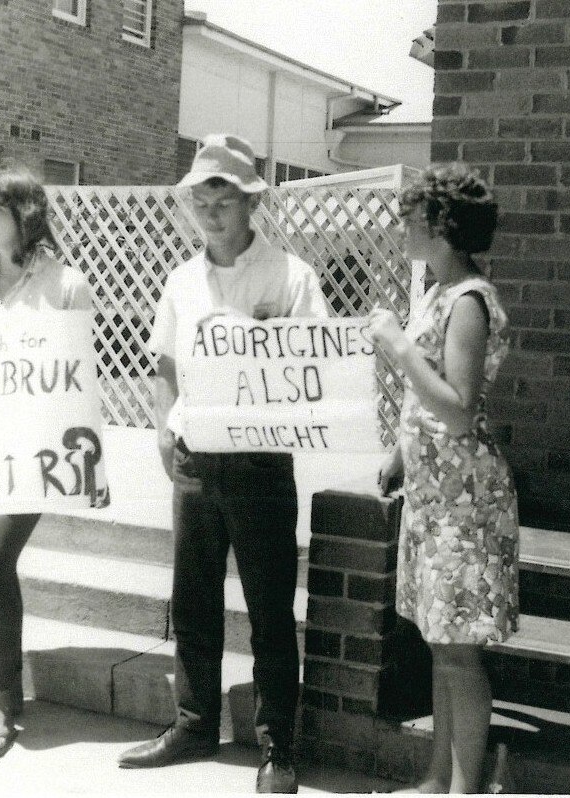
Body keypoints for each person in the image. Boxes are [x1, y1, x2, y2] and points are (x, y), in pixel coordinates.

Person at [117, 134, 330, 793]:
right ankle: (193, 724)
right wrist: (163, 429)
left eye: (224, 200)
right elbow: (165, 365)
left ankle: (277, 747)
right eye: (200, 201)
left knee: (268, 608)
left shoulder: (291, 276)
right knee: (193, 600)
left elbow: (315, 366)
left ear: (250, 203)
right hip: (195, 461)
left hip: (260, 464)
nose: (210, 213)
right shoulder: (181, 280)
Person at [368, 163, 519, 793]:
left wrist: (397, 346)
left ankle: (464, 788)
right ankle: (437, 779)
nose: (403, 228)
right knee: (440, 643)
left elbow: (458, 409)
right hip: (434, 497)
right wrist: (400, 455)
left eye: (413, 218)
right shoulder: (438, 293)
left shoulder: (469, 302)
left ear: (443, 225)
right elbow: (425, 407)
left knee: (459, 651)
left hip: (466, 504)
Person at [0, 170, 93, 765]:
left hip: (32, 452)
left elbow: (76, 377)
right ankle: (0, 691)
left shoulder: (66, 284)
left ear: (26, 217)